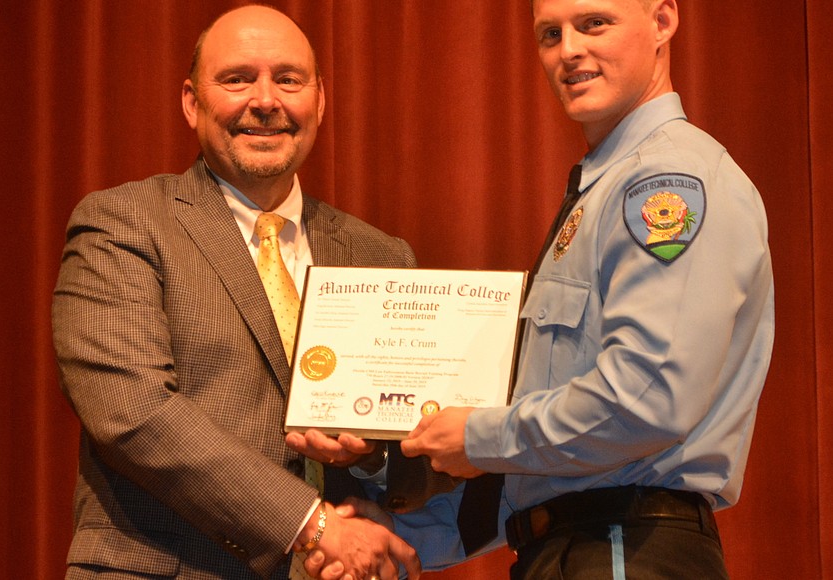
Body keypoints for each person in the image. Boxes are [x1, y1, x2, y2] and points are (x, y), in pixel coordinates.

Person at [307, 0, 774, 578]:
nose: (569, 49)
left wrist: (478, 435)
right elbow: (546, 474)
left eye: (594, 23)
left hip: (627, 546)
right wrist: (400, 536)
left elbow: (647, 396)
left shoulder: (666, 183)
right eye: (550, 33)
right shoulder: (602, 187)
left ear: (662, 21)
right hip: (572, 548)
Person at [52, 5, 445, 579]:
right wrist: (313, 524)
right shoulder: (122, 223)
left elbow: (414, 446)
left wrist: (371, 461)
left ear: (320, 100)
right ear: (192, 102)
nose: (266, 100)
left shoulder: (381, 255)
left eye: (288, 79)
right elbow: (133, 413)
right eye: (237, 78)